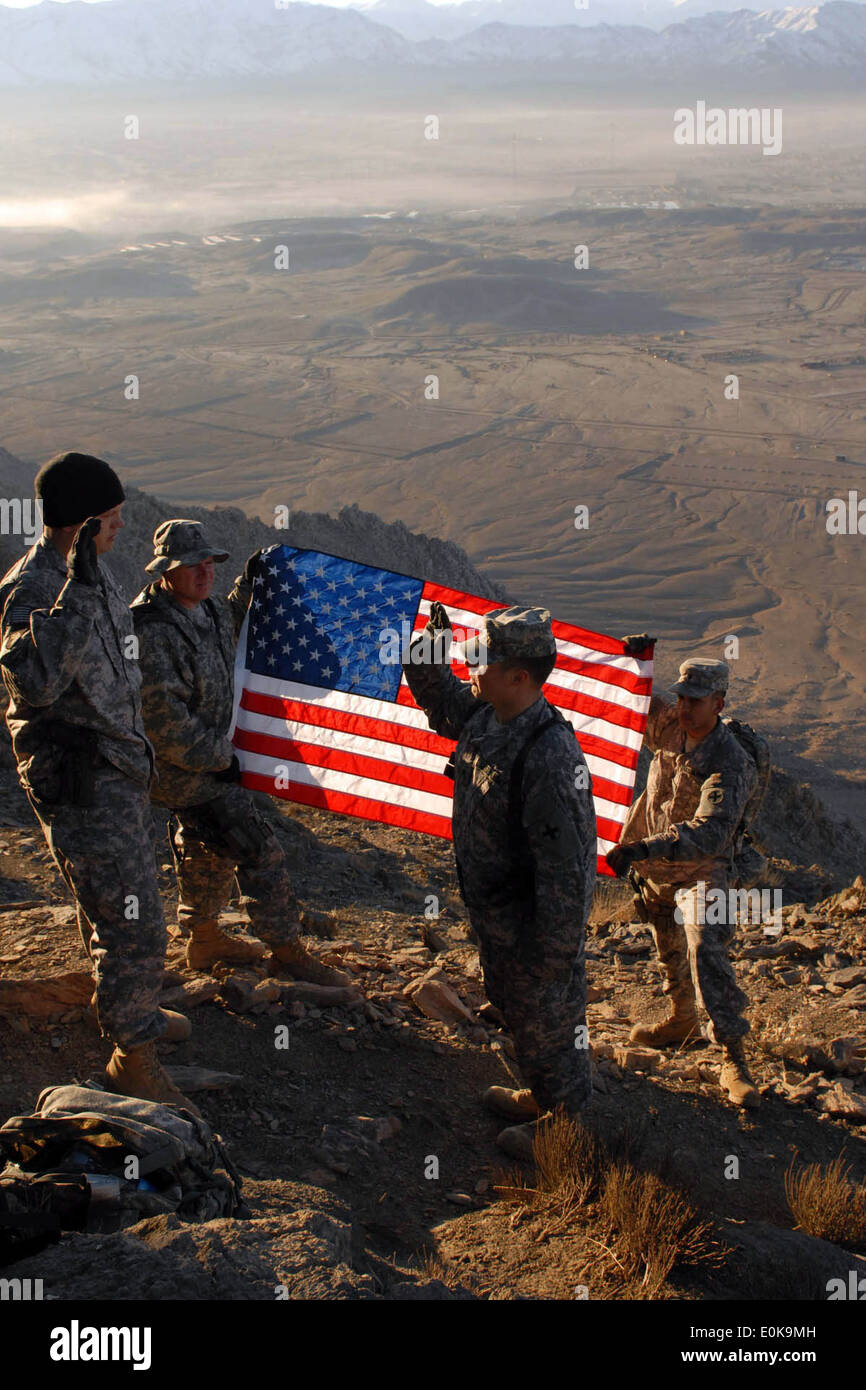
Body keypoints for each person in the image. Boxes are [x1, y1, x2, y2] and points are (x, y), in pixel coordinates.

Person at [0, 453, 198, 1113]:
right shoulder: (33, 590)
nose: (120, 528)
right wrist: (80, 593)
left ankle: (132, 1009)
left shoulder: (90, 573)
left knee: (132, 903)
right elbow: (35, 681)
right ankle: (130, 1058)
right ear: (83, 524)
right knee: (129, 922)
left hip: (117, 770)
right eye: (110, 519)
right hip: (83, 782)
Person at [403, 602, 596, 1159]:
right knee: (517, 1009)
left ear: (519, 676)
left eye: (480, 657)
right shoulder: (490, 717)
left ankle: (566, 1129)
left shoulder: (550, 755)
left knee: (547, 1019)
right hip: (497, 915)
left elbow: (570, 870)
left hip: (534, 927)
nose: (470, 663)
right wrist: (429, 647)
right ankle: (543, 1096)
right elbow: (440, 700)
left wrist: (552, 956)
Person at [130, 520, 349, 986]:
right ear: (166, 571)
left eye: (209, 562)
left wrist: (248, 585)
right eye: (193, 565)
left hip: (206, 763)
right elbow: (162, 720)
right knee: (257, 847)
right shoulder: (151, 628)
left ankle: (204, 936)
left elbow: (228, 624)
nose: (203, 571)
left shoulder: (202, 609)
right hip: (180, 768)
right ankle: (287, 951)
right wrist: (221, 758)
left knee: (208, 844)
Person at [606, 654, 761, 1108]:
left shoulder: (729, 763)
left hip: (702, 868)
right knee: (666, 939)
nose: (686, 707)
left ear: (718, 702)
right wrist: (632, 662)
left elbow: (712, 832)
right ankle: (681, 1018)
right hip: (654, 866)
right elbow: (631, 706)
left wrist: (645, 847)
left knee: (704, 944)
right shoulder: (671, 728)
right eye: (681, 697)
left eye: (696, 700)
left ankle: (733, 1056)